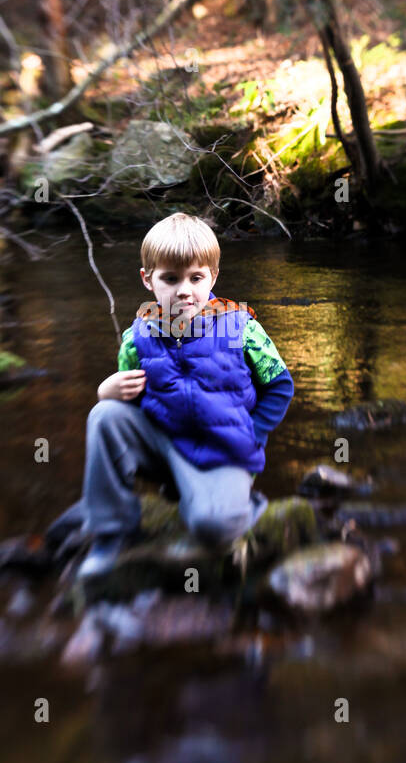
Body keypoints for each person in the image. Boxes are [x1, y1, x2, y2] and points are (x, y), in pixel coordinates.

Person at [46, 211, 294, 579]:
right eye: (170, 278)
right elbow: (130, 397)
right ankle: (111, 533)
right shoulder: (138, 336)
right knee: (104, 415)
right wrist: (106, 390)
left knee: (213, 531)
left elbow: (279, 386)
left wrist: (252, 436)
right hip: (165, 444)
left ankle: (242, 503)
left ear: (213, 276)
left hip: (224, 450)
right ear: (148, 280)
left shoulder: (241, 329)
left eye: (196, 278)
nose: (184, 290)